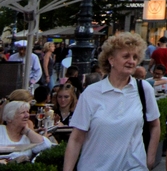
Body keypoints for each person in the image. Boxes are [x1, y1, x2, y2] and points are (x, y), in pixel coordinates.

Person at [62, 32, 160, 171]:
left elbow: (155, 125)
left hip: (134, 166)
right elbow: (76, 138)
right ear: (111, 60)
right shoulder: (91, 93)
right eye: (126, 56)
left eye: (135, 57)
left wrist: (150, 158)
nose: (131, 61)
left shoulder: (143, 89)